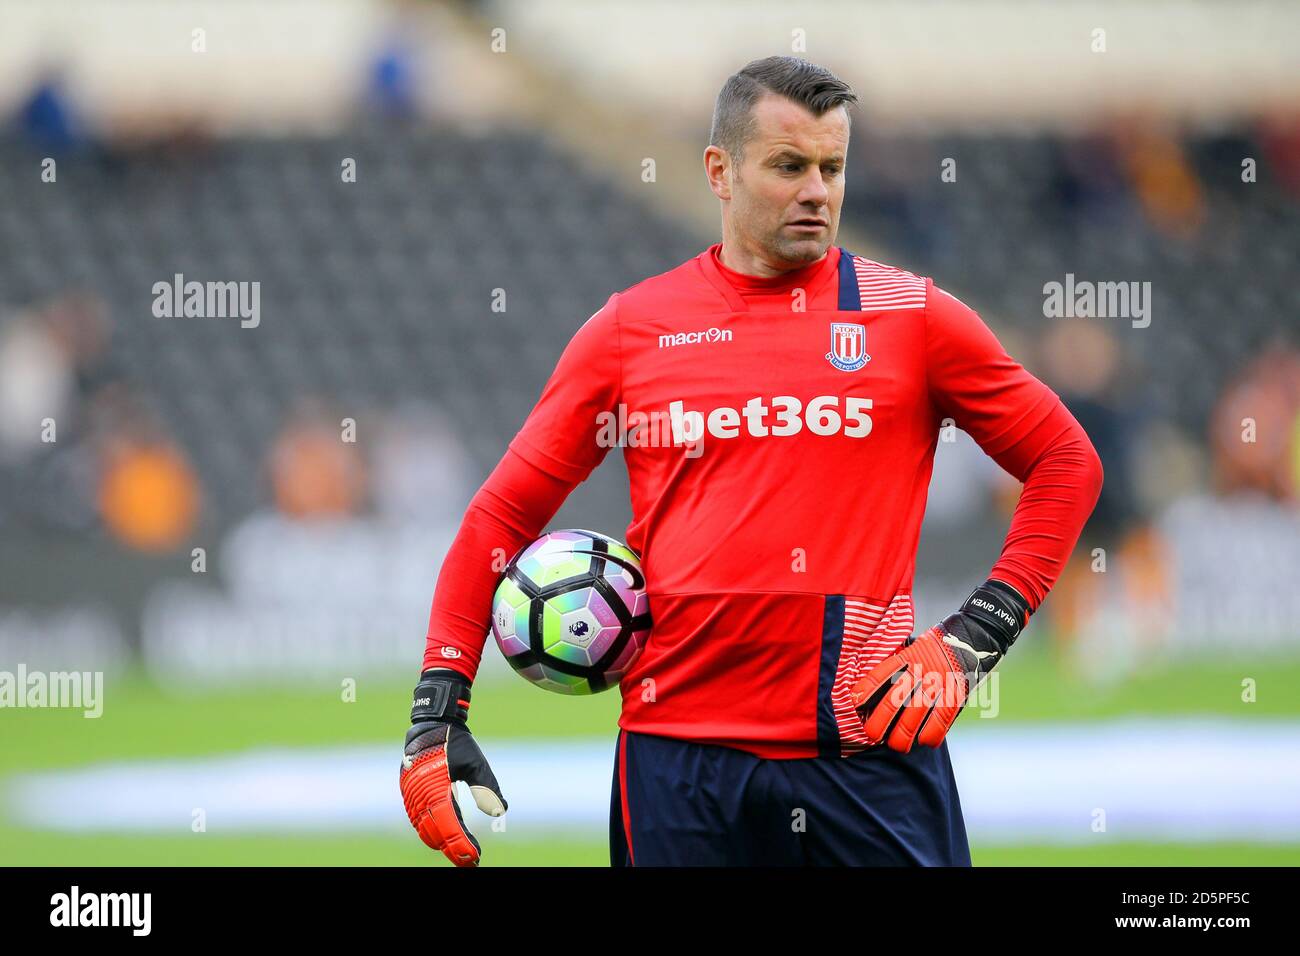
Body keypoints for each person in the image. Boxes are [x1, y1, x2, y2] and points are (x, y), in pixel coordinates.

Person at [399, 56, 1103, 867]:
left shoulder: (912, 317)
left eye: (833, 168)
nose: (818, 191)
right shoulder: (632, 330)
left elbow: (1065, 459)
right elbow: (501, 515)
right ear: (720, 172)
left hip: (868, 744)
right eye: (790, 166)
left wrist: (974, 636)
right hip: (677, 762)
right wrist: (438, 710)